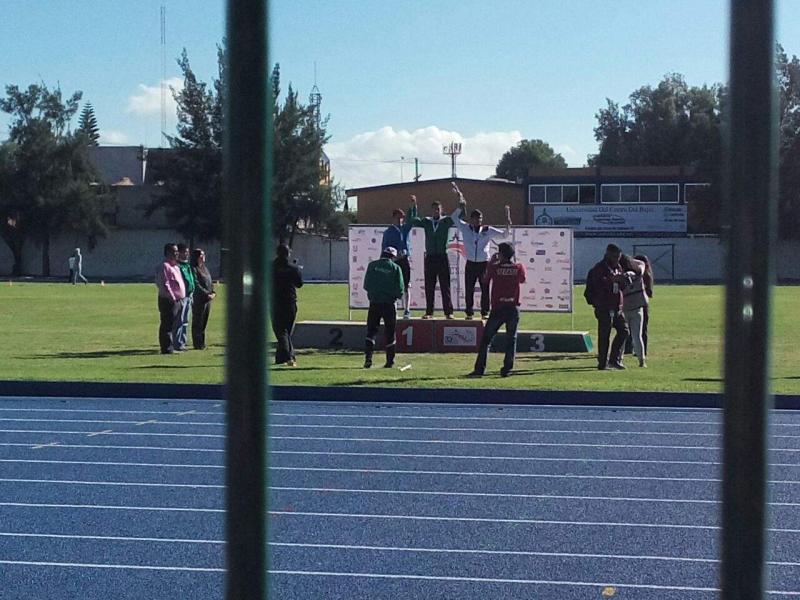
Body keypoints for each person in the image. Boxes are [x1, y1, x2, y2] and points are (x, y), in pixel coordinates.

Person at [451, 182, 511, 320]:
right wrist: (460, 203)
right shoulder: (465, 227)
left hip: (484, 263)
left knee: (485, 288)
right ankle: (469, 313)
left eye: (480, 219)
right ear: (471, 219)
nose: (479, 221)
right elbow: (454, 218)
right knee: (469, 289)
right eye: (476, 218)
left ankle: (485, 312)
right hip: (471, 263)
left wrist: (508, 223)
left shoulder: (487, 230)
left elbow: (504, 235)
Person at [469, 242, 526, 378]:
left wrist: (491, 264)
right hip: (513, 308)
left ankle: (479, 369)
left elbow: (485, 280)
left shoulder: (495, 267)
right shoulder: (519, 267)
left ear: (501, 254)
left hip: (498, 309)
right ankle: (507, 368)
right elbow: (522, 280)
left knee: (486, 339)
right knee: (511, 340)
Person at [407, 194, 457, 319]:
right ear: (431, 210)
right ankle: (429, 312)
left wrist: (462, 203)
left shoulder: (446, 221)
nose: (436, 211)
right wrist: (413, 206)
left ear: (441, 210)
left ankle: (448, 312)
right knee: (429, 286)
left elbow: (458, 215)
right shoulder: (427, 222)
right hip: (430, 257)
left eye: (438, 209)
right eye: (434, 209)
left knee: (445, 286)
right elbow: (413, 220)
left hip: (442, 256)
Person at [585, 243, 630, 370]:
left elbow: (621, 287)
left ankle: (614, 360)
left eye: (619, 257)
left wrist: (623, 281)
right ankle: (603, 362)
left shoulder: (618, 267)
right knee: (605, 334)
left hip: (617, 306)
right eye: (615, 257)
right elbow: (598, 287)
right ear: (608, 255)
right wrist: (612, 280)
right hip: (604, 306)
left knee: (624, 331)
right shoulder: (599, 269)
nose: (617, 260)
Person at [363, 246, 405, 368]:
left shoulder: (372, 266)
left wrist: (373, 295)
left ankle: (368, 359)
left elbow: (366, 285)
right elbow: (400, 289)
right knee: (390, 332)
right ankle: (390, 361)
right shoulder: (395, 268)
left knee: (371, 332)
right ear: (393, 257)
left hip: (374, 303)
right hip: (389, 305)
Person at [272, 244, 303, 366]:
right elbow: (299, 284)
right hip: (290, 302)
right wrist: (298, 270)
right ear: (288, 254)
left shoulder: (270, 267)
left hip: (275, 302)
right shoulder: (293, 269)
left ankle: (284, 357)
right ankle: (287, 357)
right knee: (286, 332)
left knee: (280, 331)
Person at [382, 207, 414, 319]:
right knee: (393, 286)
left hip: (404, 260)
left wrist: (412, 206)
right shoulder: (388, 232)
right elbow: (384, 247)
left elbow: (412, 219)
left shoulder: (405, 228)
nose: (400, 220)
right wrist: (388, 259)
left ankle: (407, 310)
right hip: (394, 261)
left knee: (406, 285)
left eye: (402, 218)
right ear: (393, 218)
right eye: (398, 217)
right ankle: (394, 310)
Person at [154, 243, 186, 354]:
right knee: (167, 325)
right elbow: (164, 283)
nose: (177, 253)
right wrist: (172, 298)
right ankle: (167, 348)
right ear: (167, 253)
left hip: (179, 300)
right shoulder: (164, 266)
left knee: (175, 325)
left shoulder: (175, 266)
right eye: (174, 251)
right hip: (169, 300)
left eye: (177, 251)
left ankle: (173, 346)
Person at [620, 254, 649, 368]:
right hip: (637, 308)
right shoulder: (639, 273)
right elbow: (641, 264)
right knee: (637, 336)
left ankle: (619, 359)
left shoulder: (621, 277)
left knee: (622, 336)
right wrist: (631, 262)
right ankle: (642, 361)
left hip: (624, 309)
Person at [190, 248, 216, 350]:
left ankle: (202, 342)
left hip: (207, 299)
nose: (203, 256)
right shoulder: (193, 269)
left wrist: (213, 292)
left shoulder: (204, 268)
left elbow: (209, 282)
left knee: (204, 321)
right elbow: (196, 284)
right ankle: (197, 343)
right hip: (199, 299)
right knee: (198, 321)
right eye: (201, 255)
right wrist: (206, 294)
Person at [173, 243, 195, 351]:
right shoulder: (178, 266)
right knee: (179, 320)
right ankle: (177, 343)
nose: (187, 254)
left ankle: (183, 341)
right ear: (180, 253)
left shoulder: (187, 265)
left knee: (185, 320)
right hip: (182, 296)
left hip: (189, 295)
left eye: (188, 252)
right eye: (185, 252)